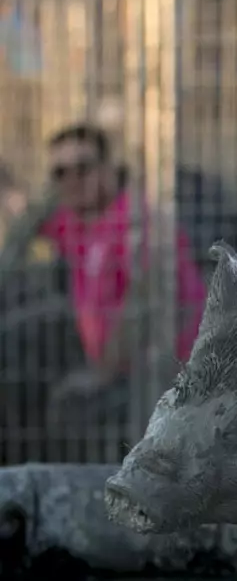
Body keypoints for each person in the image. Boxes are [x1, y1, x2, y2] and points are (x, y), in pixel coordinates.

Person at [0, 124, 209, 404]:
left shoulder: (135, 221)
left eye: (83, 168)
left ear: (108, 168)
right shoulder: (78, 223)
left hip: (167, 380)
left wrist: (100, 375)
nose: (72, 179)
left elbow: (144, 304)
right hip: (123, 372)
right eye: (61, 172)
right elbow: (24, 210)